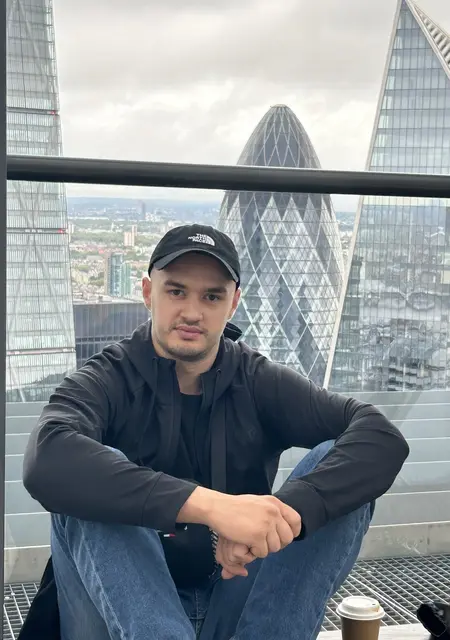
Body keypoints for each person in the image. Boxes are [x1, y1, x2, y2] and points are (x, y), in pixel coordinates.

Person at [20, 223, 409, 640]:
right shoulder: (110, 377)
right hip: (114, 614)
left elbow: (380, 437)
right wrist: (215, 509)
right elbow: (48, 458)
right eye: (176, 291)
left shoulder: (256, 380)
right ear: (149, 293)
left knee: (336, 462)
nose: (192, 312)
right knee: (89, 480)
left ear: (233, 303)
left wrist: (277, 516)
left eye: (211, 296)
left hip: (235, 597)